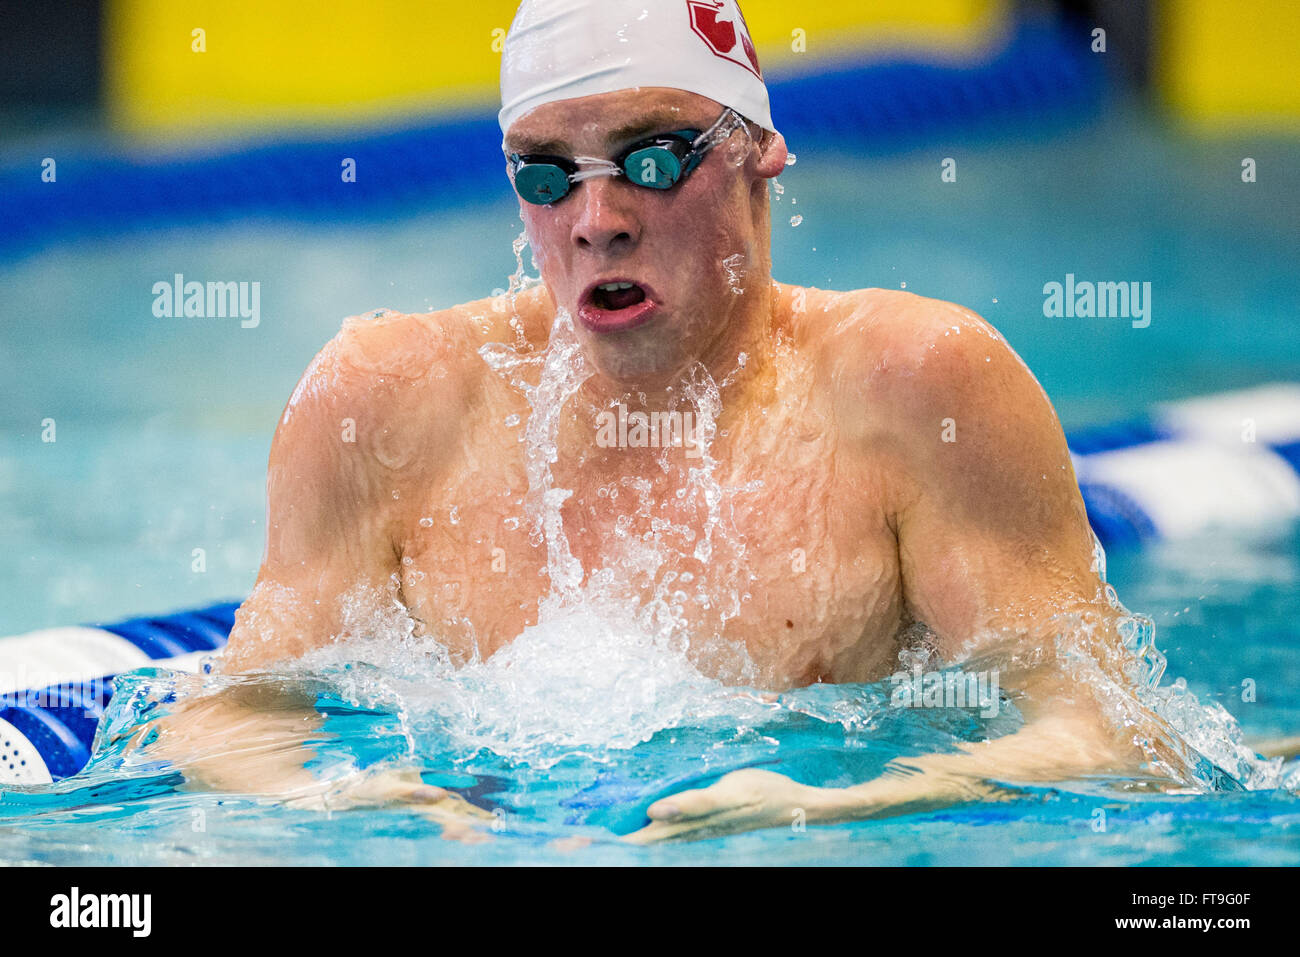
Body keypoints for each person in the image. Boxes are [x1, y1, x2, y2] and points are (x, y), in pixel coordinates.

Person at [151, 0, 1175, 842]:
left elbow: (1113, 737)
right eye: (546, 175)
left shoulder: (915, 387)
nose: (596, 220)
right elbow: (223, 722)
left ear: (760, 153)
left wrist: (837, 809)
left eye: (650, 158)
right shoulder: (383, 400)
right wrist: (326, 803)